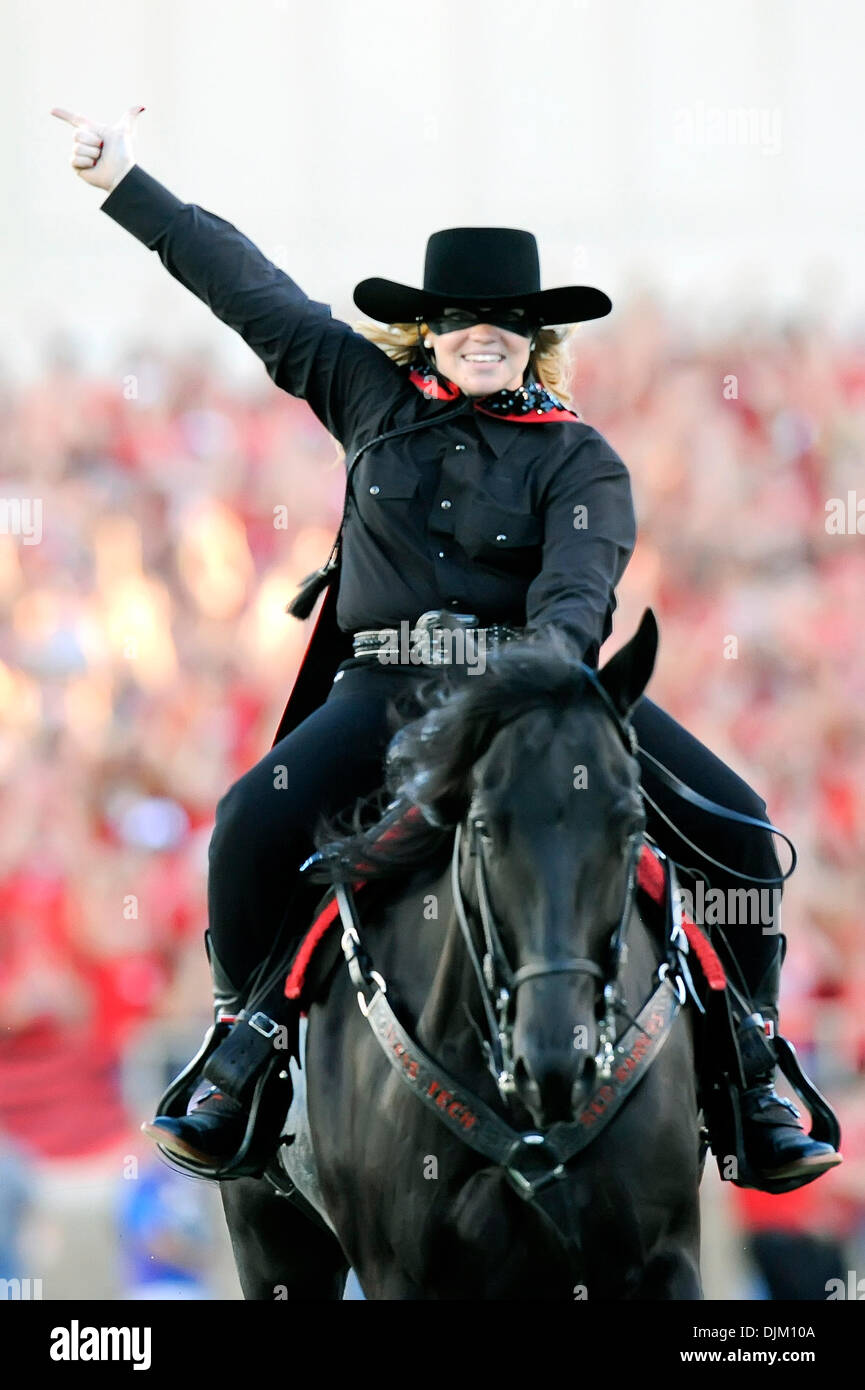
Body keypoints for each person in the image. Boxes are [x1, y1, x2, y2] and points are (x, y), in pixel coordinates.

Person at [51, 103, 841, 1192]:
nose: (485, 331)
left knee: (743, 833)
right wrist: (123, 180)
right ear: (428, 328)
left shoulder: (581, 458)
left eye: (506, 319)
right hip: (384, 684)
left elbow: (578, 595)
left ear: (532, 336)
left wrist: (540, 679)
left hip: (540, 688)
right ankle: (249, 1044)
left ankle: (749, 1071)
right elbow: (252, 292)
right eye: (464, 315)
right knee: (244, 822)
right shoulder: (364, 393)